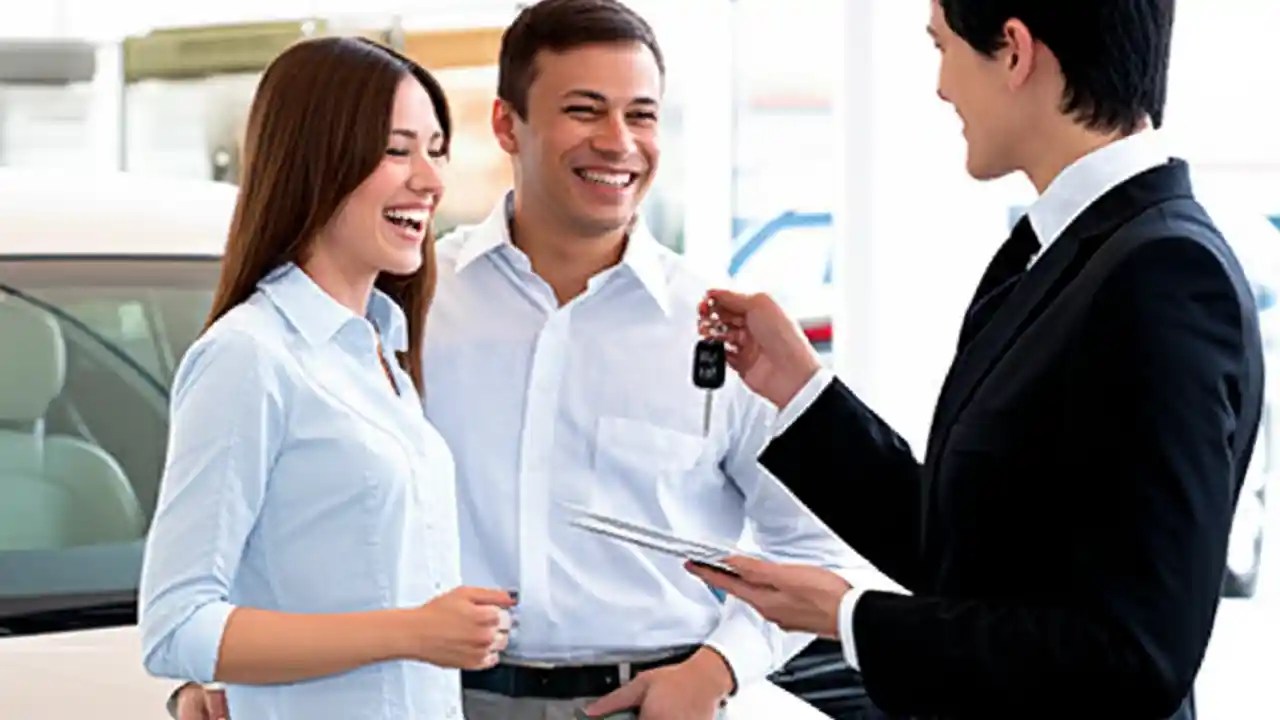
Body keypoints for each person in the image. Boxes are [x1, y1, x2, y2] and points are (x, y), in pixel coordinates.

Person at [169, 2, 888, 719]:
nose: (618, 142)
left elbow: (816, 548)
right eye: (584, 110)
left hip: (648, 703)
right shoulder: (406, 306)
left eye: (641, 115)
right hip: (441, 697)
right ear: (507, 125)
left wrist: (715, 669)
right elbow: (302, 511)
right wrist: (250, 673)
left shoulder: (720, 329)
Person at [684, 1, 1265, 719]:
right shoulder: (1063, 251)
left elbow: (1132, 653)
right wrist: (800, 390)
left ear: (1014, 51)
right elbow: (973, 552)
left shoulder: (1160, 274)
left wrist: (850, 618)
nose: (940, 86)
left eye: (943, 47)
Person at [137, 36, 515, 720]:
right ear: (317, 160)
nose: (430, 180)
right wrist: (412, 632)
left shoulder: (381, 352)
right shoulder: (249, 356)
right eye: (397, 150)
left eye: (435, 150)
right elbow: (177, 626)